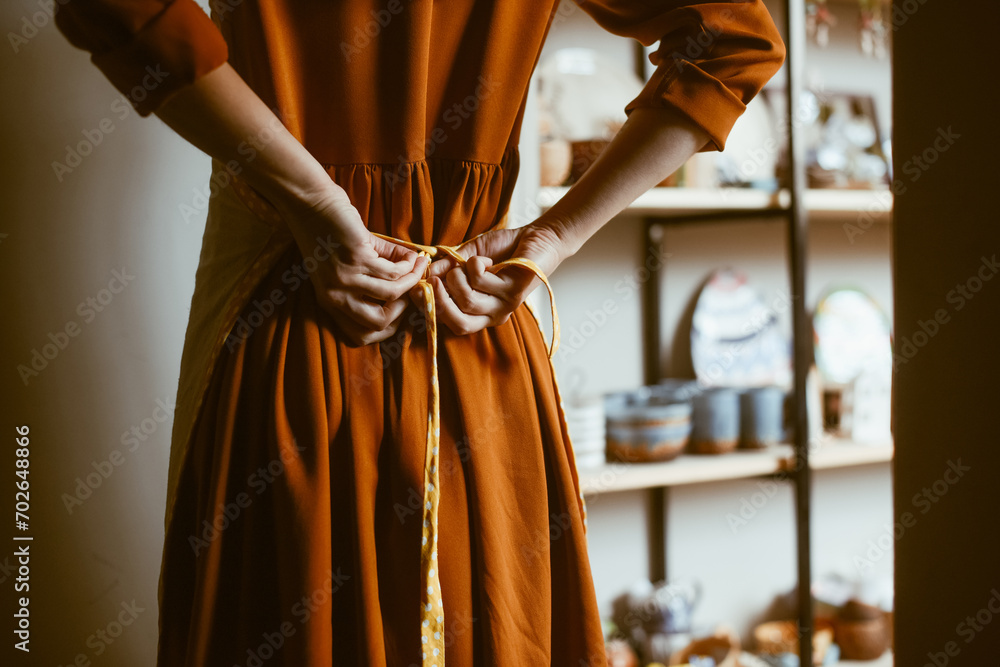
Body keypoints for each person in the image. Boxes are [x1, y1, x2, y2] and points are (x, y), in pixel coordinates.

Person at [55, 1, 785, 665]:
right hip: (472, 338)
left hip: (301, 332)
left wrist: (314, 203)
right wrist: (555, 235)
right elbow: (735, 39)